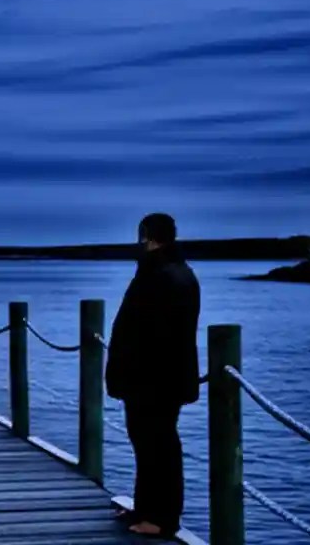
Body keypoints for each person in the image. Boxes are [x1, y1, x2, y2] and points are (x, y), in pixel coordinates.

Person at [105, 213, 201, 537]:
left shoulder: (162, 275)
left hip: (153, 379)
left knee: (158, 446)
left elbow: (151, 334)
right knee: (148, 444)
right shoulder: (171, 272)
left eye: (140, 236)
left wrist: (126, 370)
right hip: (154, 377)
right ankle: (146, 507)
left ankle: (162, 519)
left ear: (148, 236)